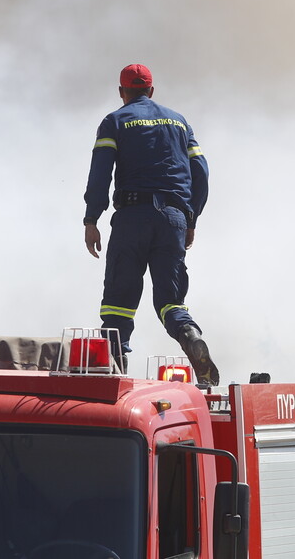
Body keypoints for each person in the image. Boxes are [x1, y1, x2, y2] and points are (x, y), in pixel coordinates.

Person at [82, 64, 220, 386]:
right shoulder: (179, 122)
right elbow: (201, 172)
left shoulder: (115, 121)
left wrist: (92, 218)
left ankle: (115, 374)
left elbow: (100, 174)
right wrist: (190, 218)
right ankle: (189, 334)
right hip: (172, 219)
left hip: (132, 218)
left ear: (122, 92)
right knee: (171, 301)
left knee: (119, 300)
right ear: (152, 90)